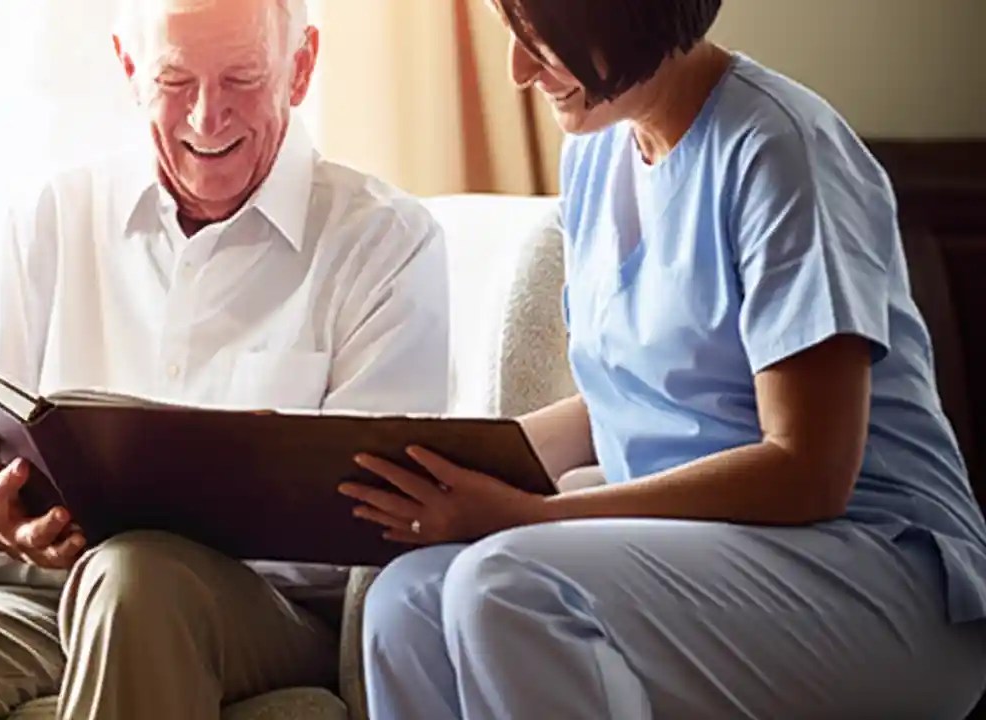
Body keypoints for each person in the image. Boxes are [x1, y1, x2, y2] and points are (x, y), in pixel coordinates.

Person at [340, 1, 986, 718]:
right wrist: (442, 464)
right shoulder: (597, 150)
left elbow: (810, 470)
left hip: (880, 573)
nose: (518, 71)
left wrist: (530, 516)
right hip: (708, 553)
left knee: (510, 582)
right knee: (406, 600)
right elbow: (629, 394)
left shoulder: (780, 148)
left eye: (541, 43)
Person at [0, 0, 450, 718]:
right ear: (129, 69)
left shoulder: (384, 243)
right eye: (176, 80)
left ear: (299, 69)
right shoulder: (58, 215)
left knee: (139, 578)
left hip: (269, 617)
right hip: (60, 601)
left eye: (242, 77)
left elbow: (378, 519)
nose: (208, 116)